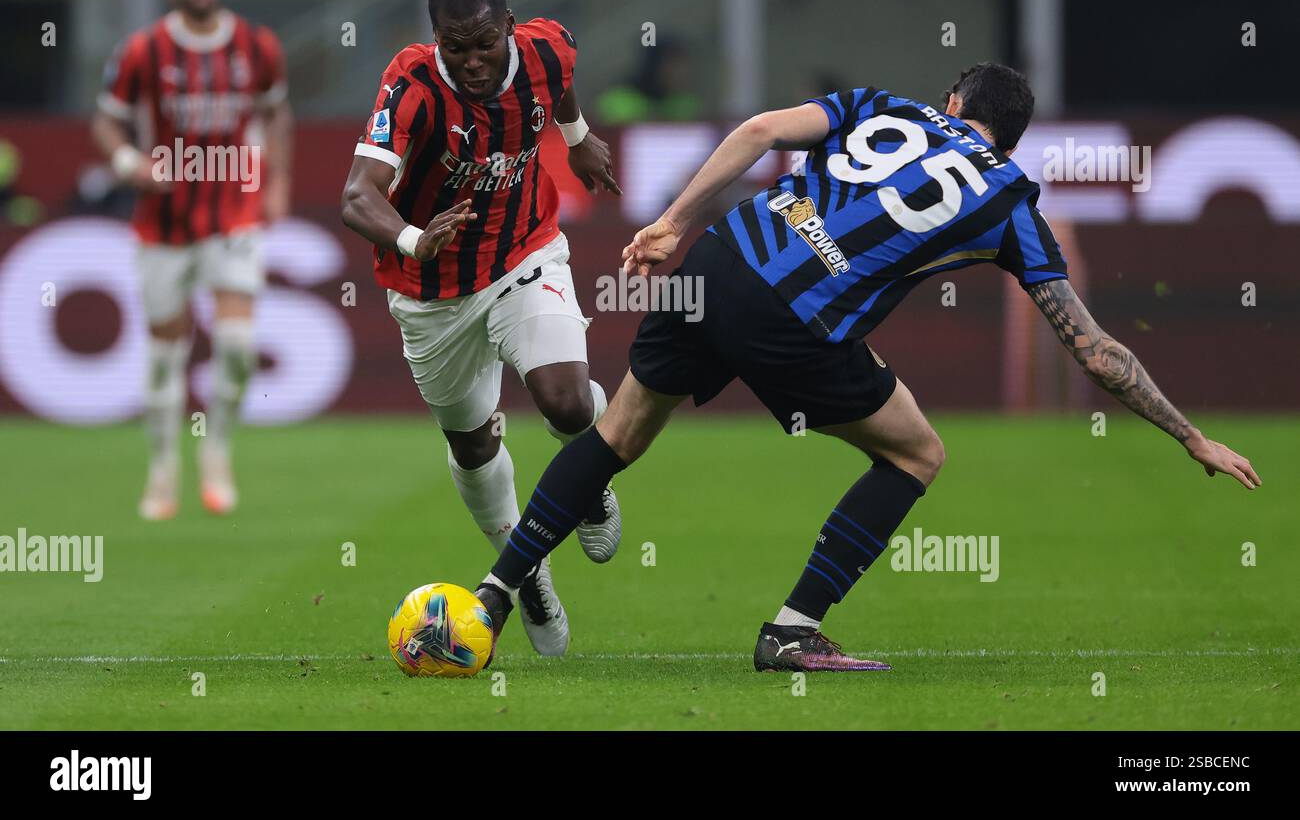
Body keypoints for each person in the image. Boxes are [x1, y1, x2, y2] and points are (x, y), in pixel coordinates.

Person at [470, 63, 1261, 671]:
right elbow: (1094, 350)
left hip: (719, 260)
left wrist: (673, 222)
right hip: (793, 319)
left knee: (619, 431)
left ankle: (493, 598)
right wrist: (1190, 437)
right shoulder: (1012, 203)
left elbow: (757, 132)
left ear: (953, 102)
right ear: (1011, 140)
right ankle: (792, 631)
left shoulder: (888, 106)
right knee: (918, 451)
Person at [340, 0, 622, 657]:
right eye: (454, 46)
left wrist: (577, 134)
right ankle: (529, 574)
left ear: (509, 27)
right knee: (472, 443)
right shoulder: (411, 87)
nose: (471, 60)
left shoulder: (548, 49)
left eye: (484, 44)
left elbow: (561, 83)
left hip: (524, 254)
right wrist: (414, 237)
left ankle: (588, 487)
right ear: (436, 40)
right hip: (431, 291)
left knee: (563, 401)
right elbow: (357, 196)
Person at [91, 0, 293, 521]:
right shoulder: (142, 50)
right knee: (163, 356)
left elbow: (277, 113)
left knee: (236, 348)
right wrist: (131, 164)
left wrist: (277, 183)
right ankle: (161, 469)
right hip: (162, 223)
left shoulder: (257, 46)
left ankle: (217, 450)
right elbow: (106, 118)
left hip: (233, 213)